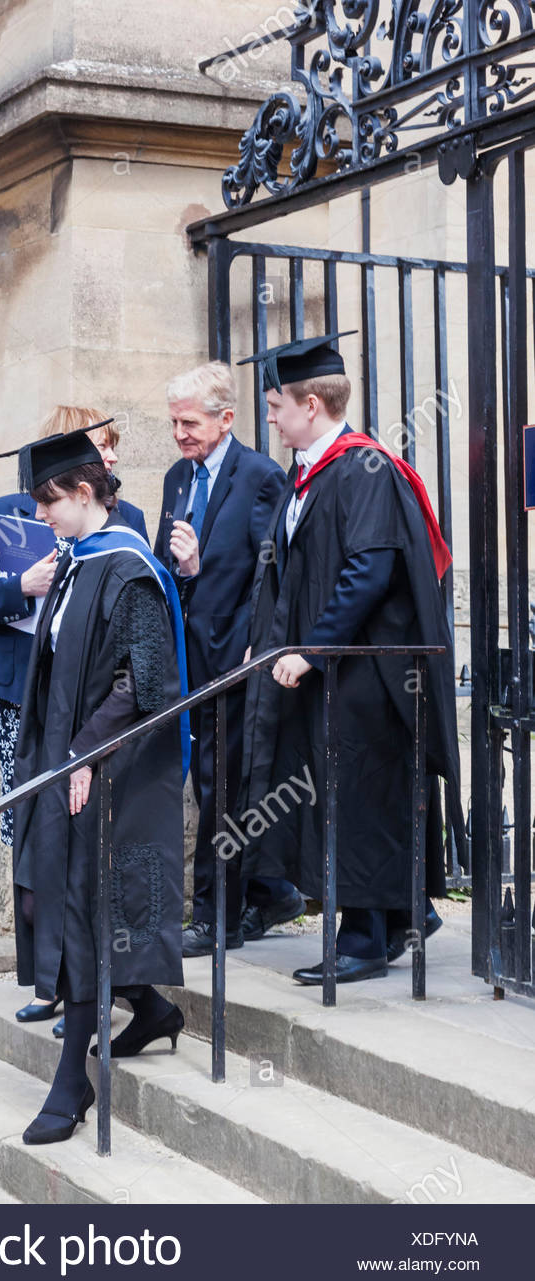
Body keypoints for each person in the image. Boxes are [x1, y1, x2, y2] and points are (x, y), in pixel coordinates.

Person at [234, 331, 464, 984]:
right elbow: (292, 572)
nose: (271, 419)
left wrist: (311, 649)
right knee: (351, 799)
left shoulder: (364, 468)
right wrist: (272, 635)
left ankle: (362, 938)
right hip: (332, 672)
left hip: (368, 673)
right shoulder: (306, 476)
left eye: (276, 406)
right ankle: (403, 916)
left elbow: (367, 570)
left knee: (358, 800)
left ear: (311, 404)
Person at [7, 424, 189, 1144]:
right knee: (39, 890)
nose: (40, 515)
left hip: (109, 768)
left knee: (83, 909)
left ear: (85, 493)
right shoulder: (76, 560)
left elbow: (147, 682)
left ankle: (71, 1081)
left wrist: (84, 753)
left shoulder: (129, 568)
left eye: (49, 501)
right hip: (60, 759)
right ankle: (150, 1007)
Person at [0, 407, 147, 1028]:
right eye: (98, 445)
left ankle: (108, 979)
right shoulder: (8, 518)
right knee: (30, 832)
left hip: (94, 708)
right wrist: (22, 589)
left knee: (89, 841)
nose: (108, 456)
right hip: (27, 700)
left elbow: (145, 628)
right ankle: (47, 979)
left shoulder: (127, 523)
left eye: (107, 447)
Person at [153, 362, 300, 957]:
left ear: (226, 419)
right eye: (174, 423)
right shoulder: (176, 478)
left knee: (223, 786)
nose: (180, 434)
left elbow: (272, 574)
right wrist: (186, 574)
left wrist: (254, 644)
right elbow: (178, 573)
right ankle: (271, 892)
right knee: (210, 780)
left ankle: (218, 918)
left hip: (237, 658)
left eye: (189, 422)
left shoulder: (261, 476)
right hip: (188, 659)